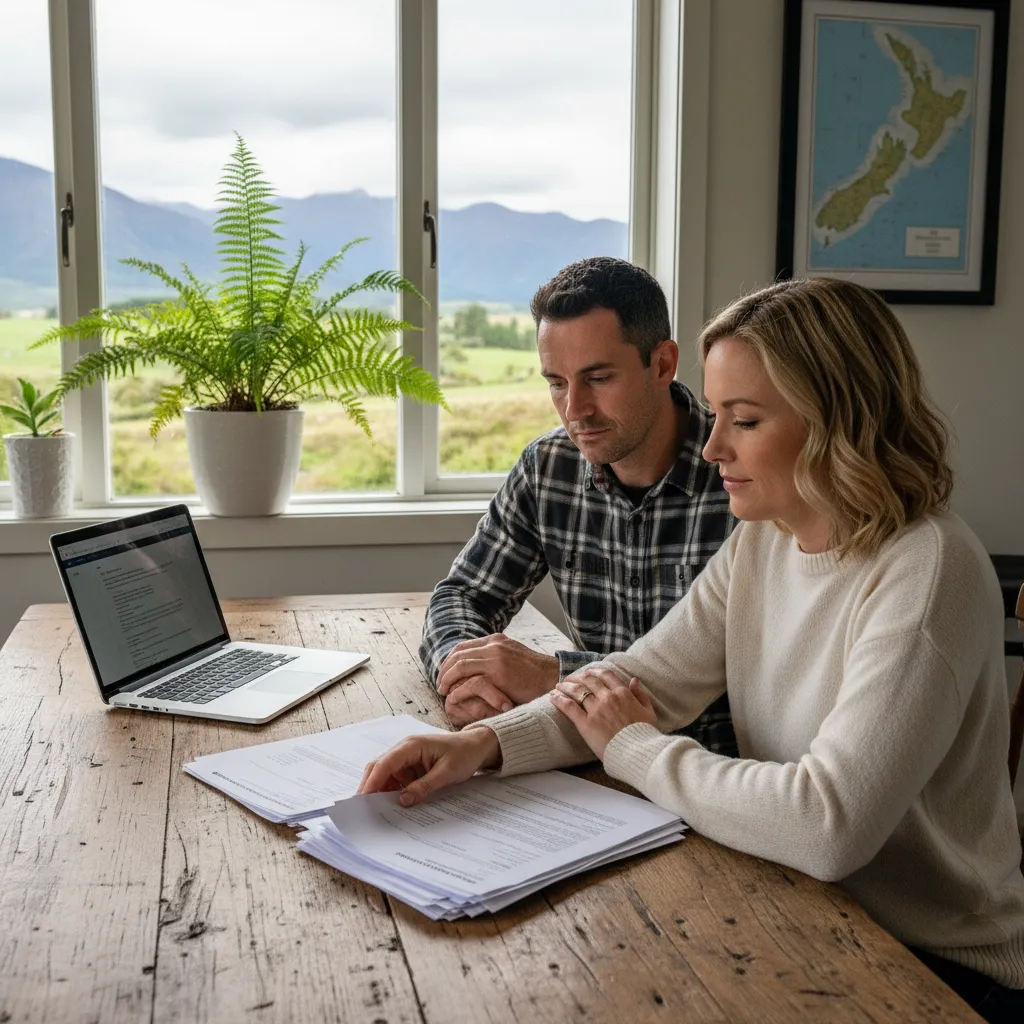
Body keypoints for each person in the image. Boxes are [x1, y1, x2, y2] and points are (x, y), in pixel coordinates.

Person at [362, 277, 1024, 1021]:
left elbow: (826, 824)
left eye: (742, 420)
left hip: (934, 969)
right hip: (800, 910)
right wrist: (481, 746)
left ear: (838, 419)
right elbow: (640, 681)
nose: (711, 446)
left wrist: (634, 749)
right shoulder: (766, 539)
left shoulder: (928, 571)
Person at [420, 257, 737, 756]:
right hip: (582, 766)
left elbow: (722, 703)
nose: (575, 410)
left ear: (662, 364)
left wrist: (553, 676)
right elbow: (464, 595)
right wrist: (462, 672)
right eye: (557, 382)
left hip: (709, 784)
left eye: (598, 378)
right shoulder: (549, 468)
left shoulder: (742, 478)